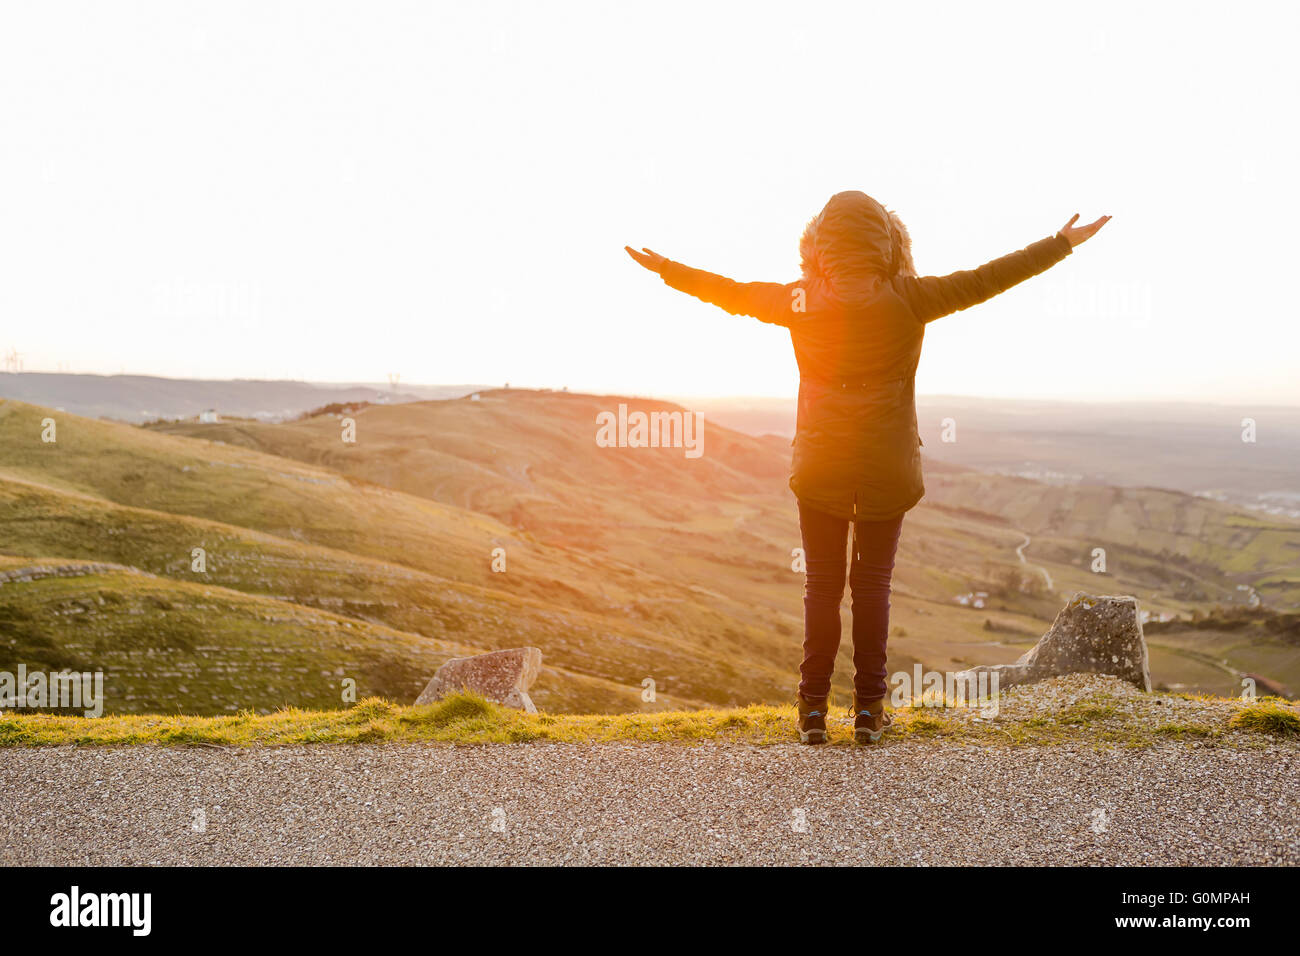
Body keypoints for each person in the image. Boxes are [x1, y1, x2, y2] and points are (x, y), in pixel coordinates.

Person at [626, 191, 1110, 744]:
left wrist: (666, 269)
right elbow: (989, 278)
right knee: (872, 585)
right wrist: (1060, 245)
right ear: (889, 241)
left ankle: (812, 712)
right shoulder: (911, 297)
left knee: (822, 587)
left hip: (820, 461)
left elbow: (728, 293)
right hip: (887, 461)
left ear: (818, 244)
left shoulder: (800, 300)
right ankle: (868, 711)